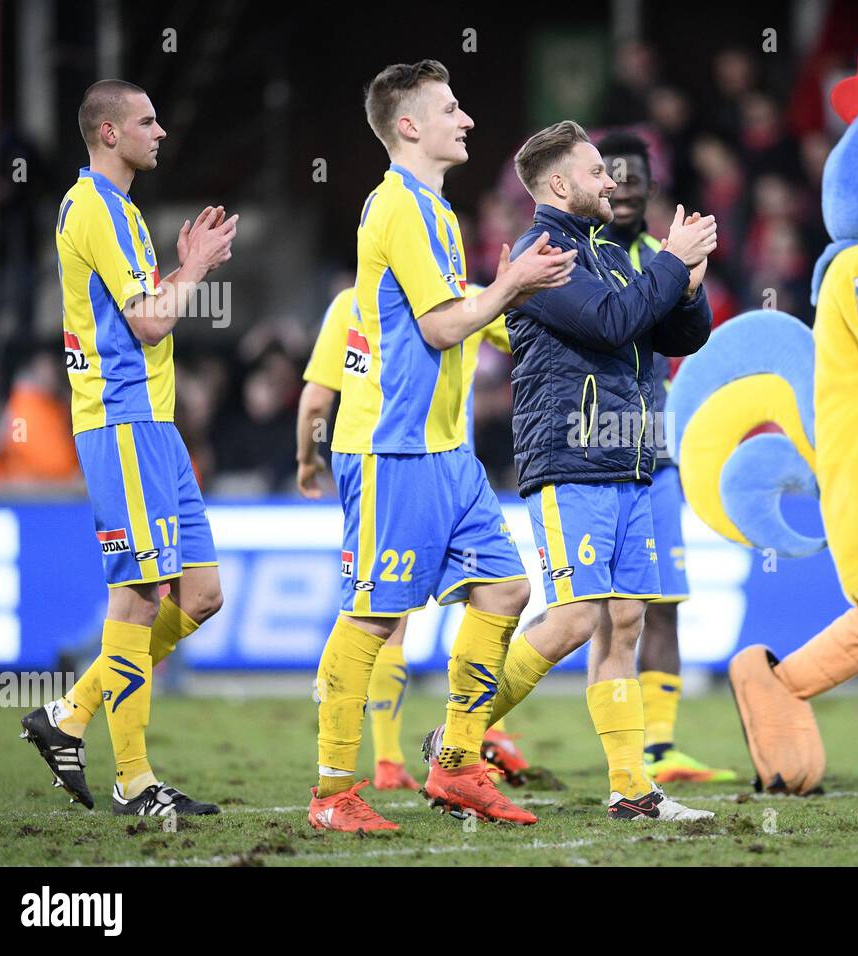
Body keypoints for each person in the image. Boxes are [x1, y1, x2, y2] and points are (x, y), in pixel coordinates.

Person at [306, 60, 575, 832]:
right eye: (451, 109)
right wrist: (513, 284)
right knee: (372, 617)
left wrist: (526, 309)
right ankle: (331, 793)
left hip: (447, 451)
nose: (467, 121)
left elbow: (467, 316)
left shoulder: (435, 212)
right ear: (409, 125)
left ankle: (456, 763)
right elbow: (439, 325)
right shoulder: (398, 206)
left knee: (506, 590)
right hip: (395, 450)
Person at [425, 120, 717, 821]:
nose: (610, 183)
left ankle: (633, 792)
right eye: (596, 173)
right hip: (573, 458)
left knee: (623, 621)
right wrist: (669, 265)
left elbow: (677, 335)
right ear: (559, 185)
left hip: (633, 459)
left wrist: (689, 282)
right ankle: (457, 743)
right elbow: (613, 323)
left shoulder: (611, 252)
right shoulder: (543, 253)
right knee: (576, 617)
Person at [21, 79, 237, 816]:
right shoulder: (95, 209)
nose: (161, 132)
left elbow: (143, 310)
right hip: (121, 423)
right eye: (147, 121)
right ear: (108, 133)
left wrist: (180, 269)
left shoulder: (121, 211)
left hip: (156, 426)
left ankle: (67, 717)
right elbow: (149, 324)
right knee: (139, 600)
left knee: (200, 596)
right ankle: (136, 782)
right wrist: (198, 269)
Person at [296, 285, 529, 792]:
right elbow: (524, 338)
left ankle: (392, 759)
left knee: (393, 612)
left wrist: (308, 458)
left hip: (390, 465)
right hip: (438, 465)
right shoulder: (466, 297)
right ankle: (475, 740)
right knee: (491, 599)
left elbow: (317, 398)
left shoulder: (348, 303)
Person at [596, 130, 734, 784]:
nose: (621, 184)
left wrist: (689, 287)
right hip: (593, 454)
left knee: (663, 600)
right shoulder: (580, 255)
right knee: (590, 609)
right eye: (610, 173)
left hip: (657, 452)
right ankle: (488, 725)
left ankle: (658, 749)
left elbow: (691, 339)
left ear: (651, 186)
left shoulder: (668, 256)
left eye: (633, 175)